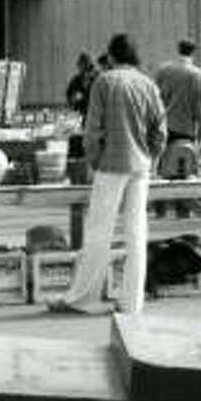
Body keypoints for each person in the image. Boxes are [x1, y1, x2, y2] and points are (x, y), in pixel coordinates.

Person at [48, 33, 166, 315]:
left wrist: (95, 160)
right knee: (136, 232)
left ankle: (83, 298)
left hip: (111, 164)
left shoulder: (105, 81)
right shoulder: (148, 84)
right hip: (140, 166)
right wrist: (150, 158)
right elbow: (160, 131)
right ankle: (131, 302)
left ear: (111, 56)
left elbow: (92, 130)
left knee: (99, 230)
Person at [155, 40, 201, 152]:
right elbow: (200, 107)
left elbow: (155, 98)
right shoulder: (197, 75)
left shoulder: (163, 70)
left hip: (163, 125)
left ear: (178, 50)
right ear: (193, 52)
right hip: (185, 129)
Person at [65, 53, 100, 120]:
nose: (86, 73)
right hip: (80, 115)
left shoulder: (98, 80)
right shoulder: (75, 81)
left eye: (88, 69)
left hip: (96, 115)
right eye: (83, 69)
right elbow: (70, 100)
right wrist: (73, 99)